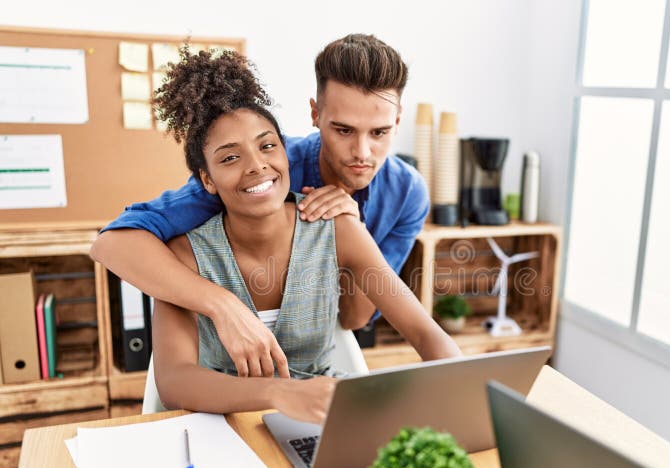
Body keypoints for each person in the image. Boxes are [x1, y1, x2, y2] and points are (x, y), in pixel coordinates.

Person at [90, 34, 428, 379]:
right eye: (343, 130)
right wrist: (222, 305)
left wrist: (355, 232)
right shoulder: (262, 175)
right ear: (315, 113)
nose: (362, 152)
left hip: (312, 373)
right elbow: (111, 243)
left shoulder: (408, 194)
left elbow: (355, 319)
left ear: (397, 122)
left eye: (379, 132)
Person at [150, 49, 460, 423]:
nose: (257, 166)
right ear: (206, 181)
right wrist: (279, 392)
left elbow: (419, 332)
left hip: (319, 420)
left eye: (267, 146)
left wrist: (468, 401)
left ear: (284, 152)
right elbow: (175, 381)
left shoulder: (345, 225)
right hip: (220, 427)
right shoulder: (183, 254)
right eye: (231, 158)